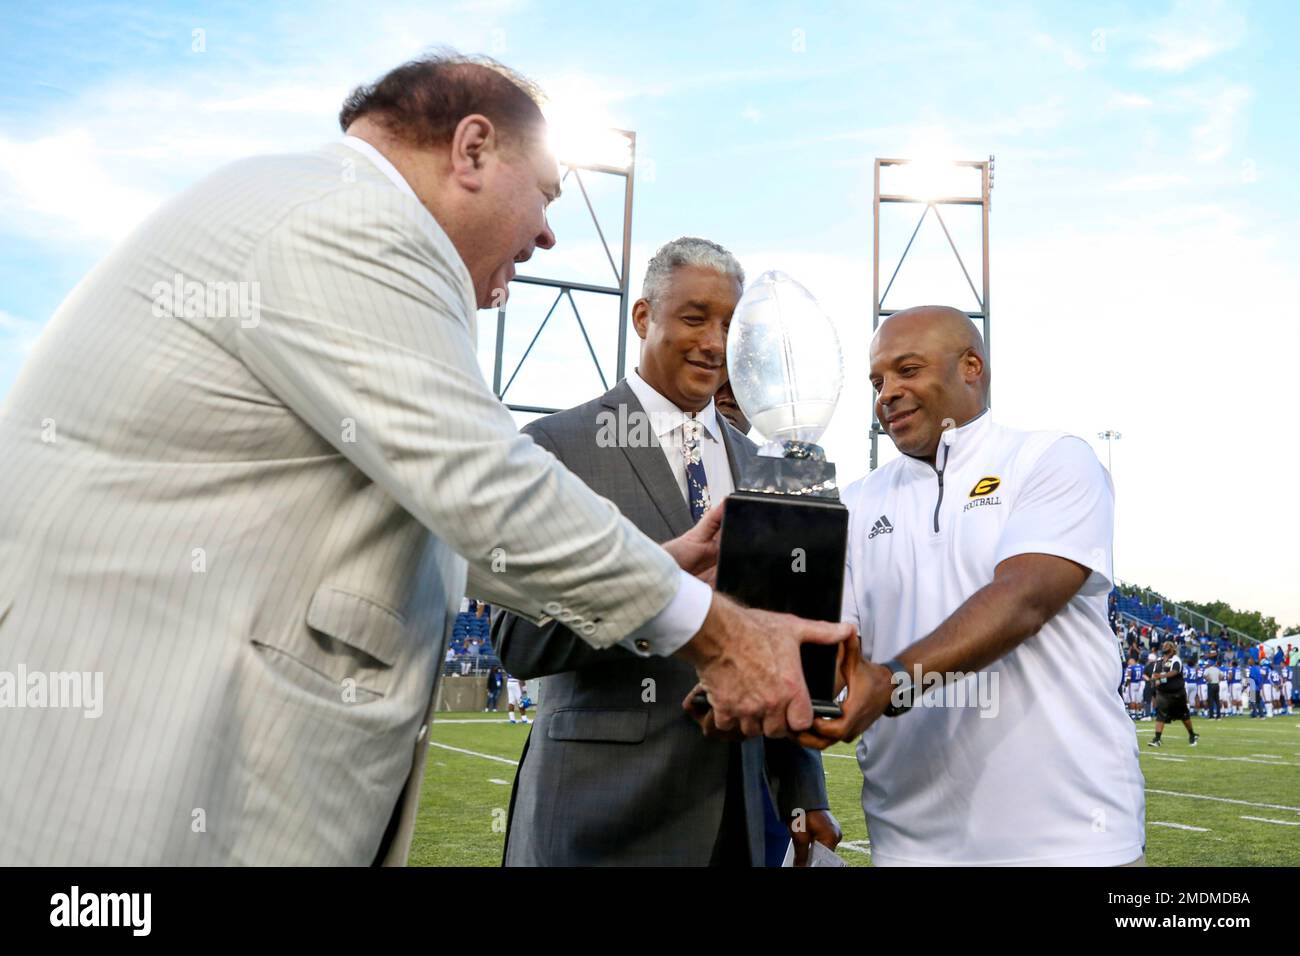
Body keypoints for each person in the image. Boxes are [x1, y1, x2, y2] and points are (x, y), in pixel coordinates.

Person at [0, 52, 854, 866]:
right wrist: (721, 634)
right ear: (472, 149)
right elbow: (482, 488)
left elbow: (459, 532)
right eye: (544, 193)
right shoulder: (350, 219)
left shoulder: (322, 211)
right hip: (135, 770)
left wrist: (660, 569)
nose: (547, 233)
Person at [494, 238, 837, 866]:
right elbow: (518, 638)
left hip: (737, 815)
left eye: (730, 326)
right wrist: (658, 570)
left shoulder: (761, 466)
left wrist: (802, 787)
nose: (714, 342)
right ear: (643, 317)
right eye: (695, 317)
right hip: (600, 814)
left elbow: (777, 635)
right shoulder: (556, 445)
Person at [787, 305, 1145, 865]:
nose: (887, 393)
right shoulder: (853, 503)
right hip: (908, 846)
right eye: (877, 382)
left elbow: (1024, 599)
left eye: (907, 370)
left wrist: (893, 681)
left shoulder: (1051, 459)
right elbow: (830, 652)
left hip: (1072, 840)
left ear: (971, 366)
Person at [1149, 641, 1198, 746]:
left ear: (1172, 648)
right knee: (1160, 714)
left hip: (1177, 693)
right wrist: (1155, 680)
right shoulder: (1159, 660)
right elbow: (1154, 674)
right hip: (1162, 692)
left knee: (1184, 715)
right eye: (1163, 645)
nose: (1164, 647)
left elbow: (1175, 671)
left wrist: (1161, 676)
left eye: (1167, 645)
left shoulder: (1176, 659)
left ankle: (1192, 734)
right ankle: (1157, 739)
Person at [1123, 656, 1145, 721]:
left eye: (1129, 661)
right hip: (1140, 683)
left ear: (1133, 660)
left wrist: (1126, 685)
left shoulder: (1130, 667)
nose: (1128, 663)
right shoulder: (1142, 667)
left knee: (1132, 700)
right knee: (1139, 700)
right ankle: (1139, 714)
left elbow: (1128, 677)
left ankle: (1133, 714)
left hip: (1132, 684)